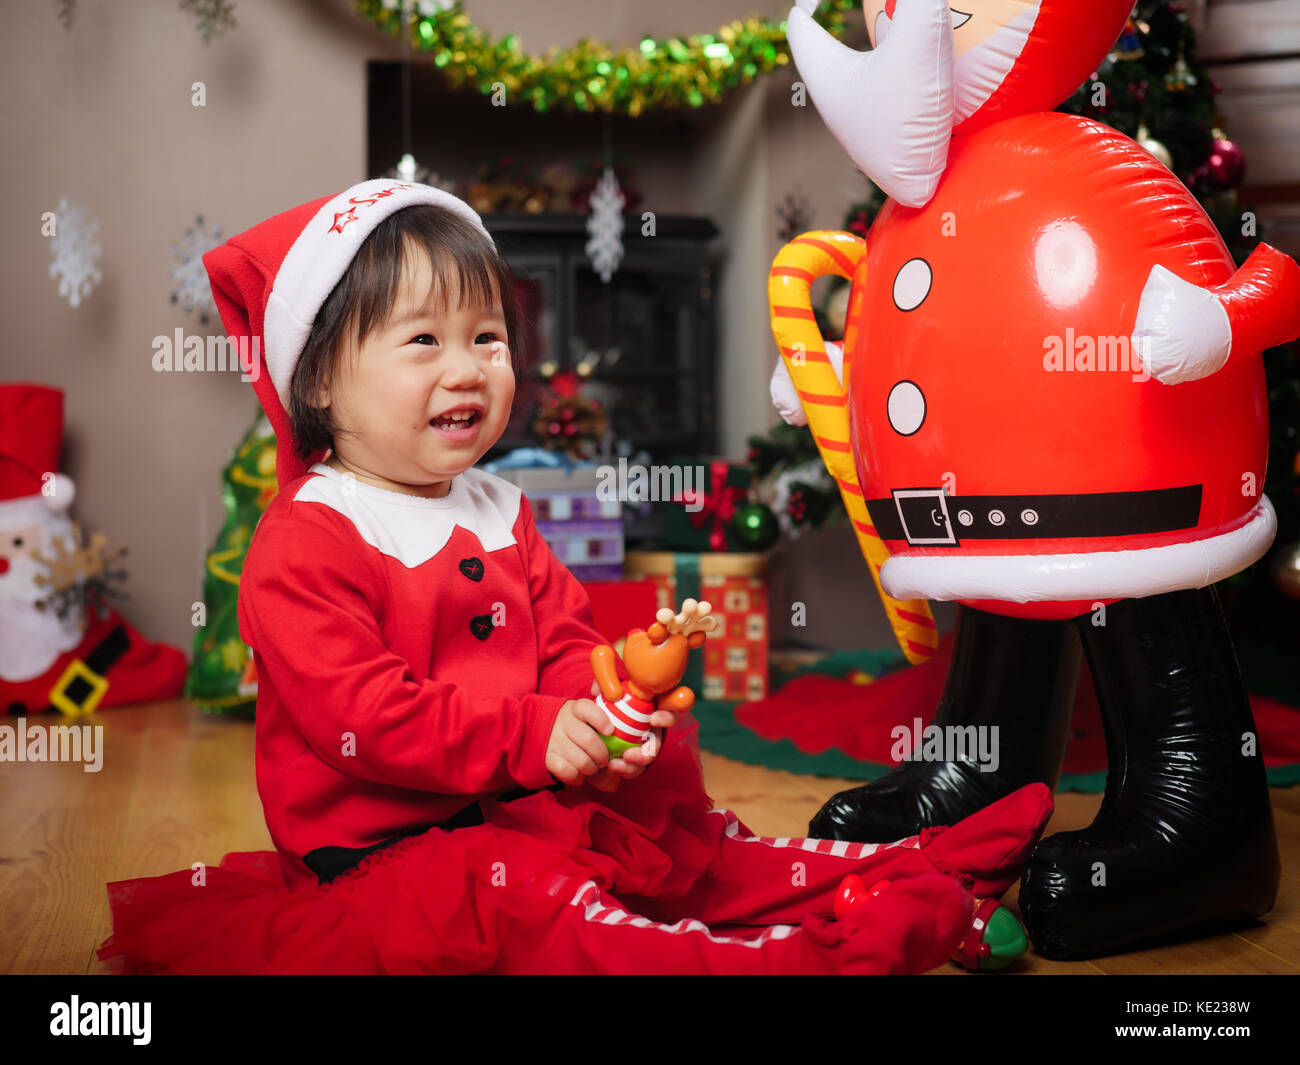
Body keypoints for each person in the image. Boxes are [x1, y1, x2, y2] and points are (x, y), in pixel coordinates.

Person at [97, 179, 1052, 974]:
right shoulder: (307, 542)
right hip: (393, 851)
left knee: (695, 848)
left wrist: (608, 714)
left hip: (520, 794)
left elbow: (563, 640)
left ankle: (904, 870)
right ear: (316, 380)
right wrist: (537, 733)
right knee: (565, 917)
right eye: (422, 341)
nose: (468, 368)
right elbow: (368, 718)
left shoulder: (499, 506)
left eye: (488, 337)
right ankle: (796, 958)